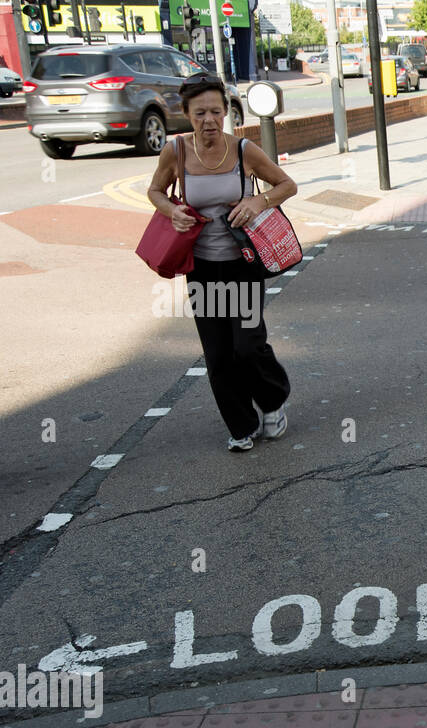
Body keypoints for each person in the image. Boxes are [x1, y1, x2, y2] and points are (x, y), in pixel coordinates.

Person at [146, 72, 296, 453]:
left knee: (247, 345)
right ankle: (241, 425)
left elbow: (286, 185)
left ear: (227, 111)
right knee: (218, 353)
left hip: (243, 264)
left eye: (216, 111)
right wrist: (171, 210)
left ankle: (274, 401)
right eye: (200, 113)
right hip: (202, 268)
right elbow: (155, 190)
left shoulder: (244, 150)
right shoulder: (176, 151)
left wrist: (256, 202)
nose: (209, 120)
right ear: (186, 114)